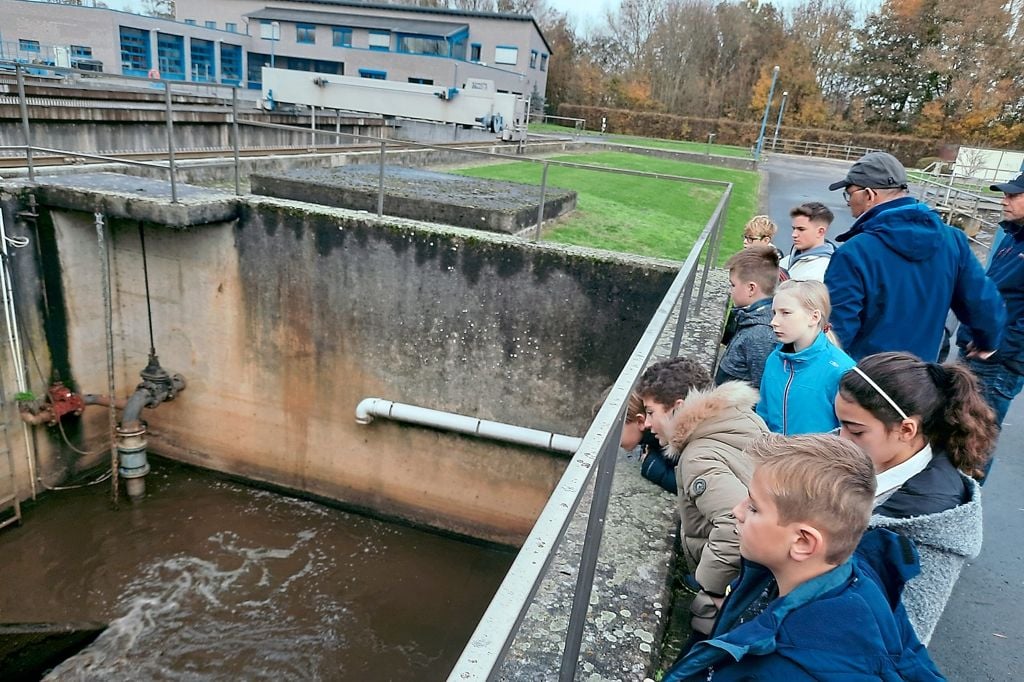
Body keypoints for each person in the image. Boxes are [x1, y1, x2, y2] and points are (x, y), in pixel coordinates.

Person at [662, 434, 943, 681]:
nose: (737, 510)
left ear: (802, 542)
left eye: (755, 508)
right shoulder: (797, 576)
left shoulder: (789, 668)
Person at [835, 352, 994, 643]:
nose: (840, 438)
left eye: (855, 430)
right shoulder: (874, 455)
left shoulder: (931, 520)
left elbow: (904, 638)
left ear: (907, 429)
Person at [824, 151, 1005, 361]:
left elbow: (836, 330)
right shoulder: (953, 241)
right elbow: (982, 300)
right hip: (921, 379)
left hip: (864, 381)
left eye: (850, 192)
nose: (848, 202)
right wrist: (987, 341)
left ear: (869, 195)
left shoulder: (855, 252)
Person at [635, 356, 768, 636]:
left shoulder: (699, 457)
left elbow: (735, 526)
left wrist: (709, 589)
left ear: (677, 408)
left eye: (650, 412)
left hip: (727, 593)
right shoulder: (742, 420)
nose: (646, 424)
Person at [957, 172, 1024, 432]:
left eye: (1013, 196)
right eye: (1004, 195)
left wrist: (997, 347)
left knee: (975, 441)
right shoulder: (1012, 236)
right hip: (976, 349)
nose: (1004, 201)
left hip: (998, 363)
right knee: (956, 433)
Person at [757, 280, 855, 434]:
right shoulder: (774, 360)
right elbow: (762, 416)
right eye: (774, 313)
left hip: (818, 457)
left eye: (786, 313)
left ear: (814, 317)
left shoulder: (843, 370)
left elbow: (850, 433)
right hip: (771, 455)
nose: (774, 322)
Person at [716, 245, 778, 389]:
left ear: (751, 288)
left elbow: (761, 393)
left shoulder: (760, 335)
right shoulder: (754, 319)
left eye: (733, 285)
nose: (730, 290)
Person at [779, 202, 835, 282]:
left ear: (820, 232)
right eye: (793, 229)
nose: (794, 234)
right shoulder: (791, 257)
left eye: (801, 229)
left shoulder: (820, 271)